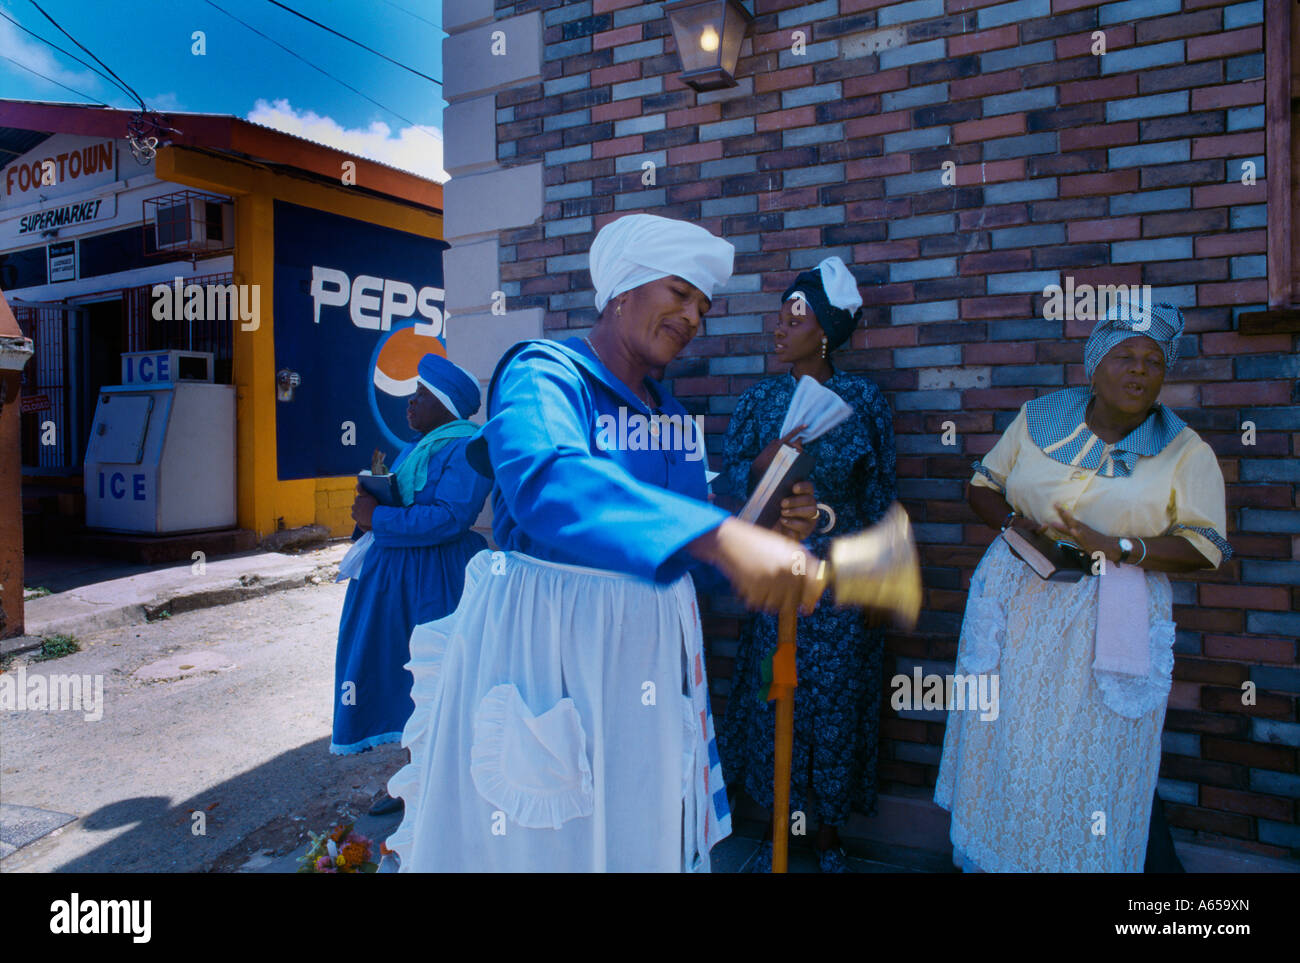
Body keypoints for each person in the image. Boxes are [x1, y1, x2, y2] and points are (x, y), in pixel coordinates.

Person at [385, 213, 825, 872]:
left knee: (631, 840)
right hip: (546, 661)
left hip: (643, 673)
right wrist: (724, 537)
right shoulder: (542, 374)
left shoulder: (670, 417)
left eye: (702, 305)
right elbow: (547, 478)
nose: (693, 316)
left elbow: (680, 558)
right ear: (624, 288)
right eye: (679, 293)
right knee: (542, 847)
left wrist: (762, 530)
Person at [934, 301, 1231, 872]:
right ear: (1093, 364)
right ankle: (1003, 859)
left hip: (1105, 616)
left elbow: (1207, 546)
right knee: (1010, 744)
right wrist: (1011, 524)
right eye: (1125, 356)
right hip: (1016, 601)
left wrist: (1121, 547)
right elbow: (983, 484)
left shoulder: (1185, 452)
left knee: (1091, 753)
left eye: (1154, 361)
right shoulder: (1039, 416)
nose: (1140, 370)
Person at [718, 256, 897, 873]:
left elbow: (879, 501)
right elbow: (727, 490)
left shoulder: (864, 402)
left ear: (824, 329)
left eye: (793, 317)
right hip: (774, 575)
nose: (778, 327)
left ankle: (825, 838)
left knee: (835, 707)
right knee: (775, 697)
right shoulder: (760, 402)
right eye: (779, 315)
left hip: (840, 585)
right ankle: (776, 833)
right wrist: (763, 462)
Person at [331, 353, 492, 815]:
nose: (410, 402)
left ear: (444, 404)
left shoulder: (467, 449)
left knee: (434, 676)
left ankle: (444, 787)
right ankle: (410, 780)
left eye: (421, 394)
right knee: (396, 674)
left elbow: (450, 518)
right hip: (392, 579)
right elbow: (404, 501)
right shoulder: (418, 447)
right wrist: (370, 505)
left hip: (435, 579)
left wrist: (378, 516)